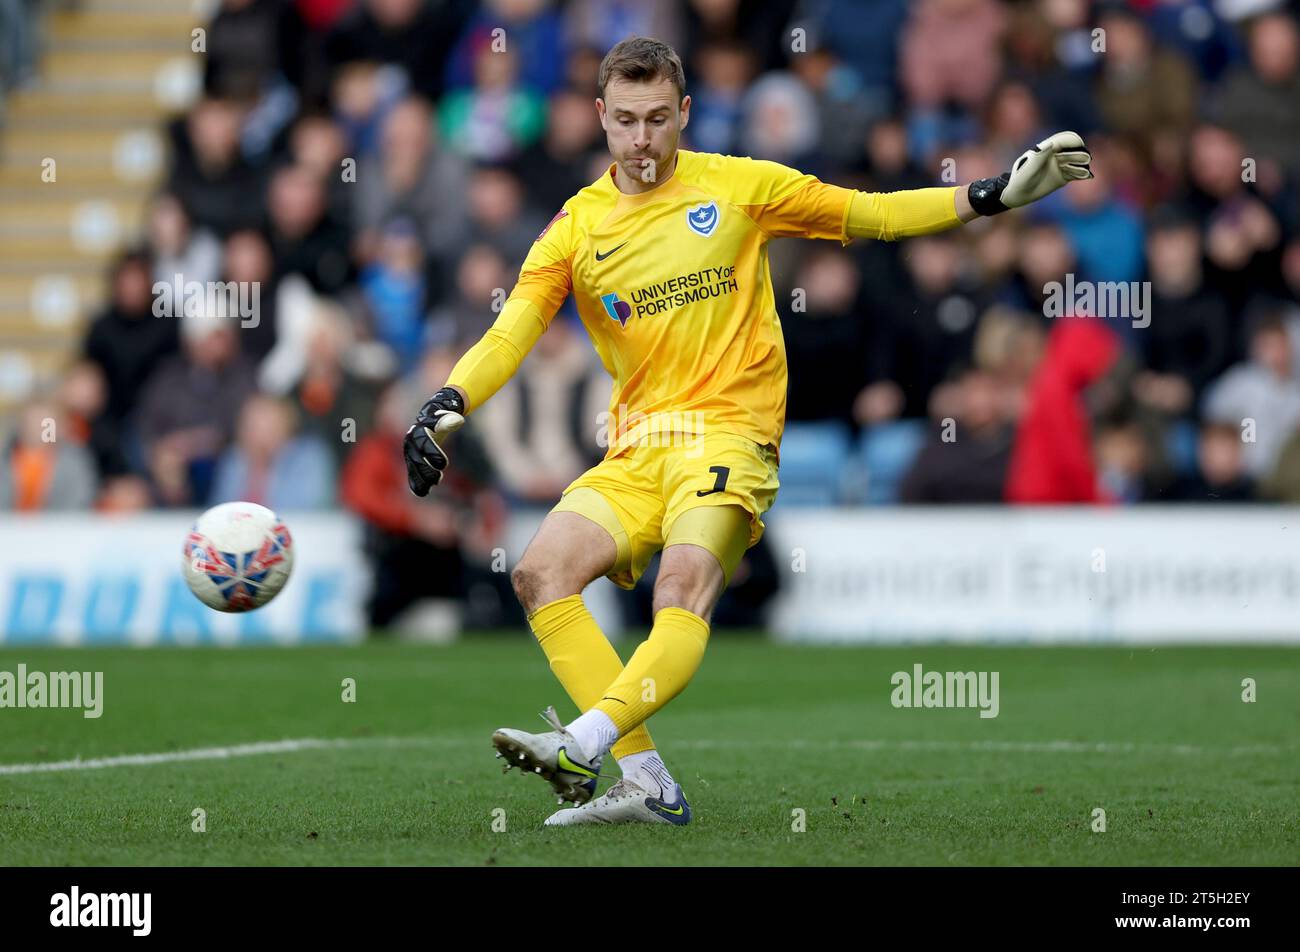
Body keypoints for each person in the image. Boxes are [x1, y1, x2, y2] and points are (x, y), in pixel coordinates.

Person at [402, 37, 1092, 827]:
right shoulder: (575, 228)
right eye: (624, 120)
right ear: (599, 117)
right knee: (538, 574)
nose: (641, 139)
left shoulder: (738, 186)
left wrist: (989, 196)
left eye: (658, 119)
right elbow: (511, 333)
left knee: (681, 588)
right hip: (634, 449)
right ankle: (648, 782)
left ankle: (584, 744)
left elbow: (869, 215)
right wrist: (446, 401)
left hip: (731, 438)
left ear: (684, 113)